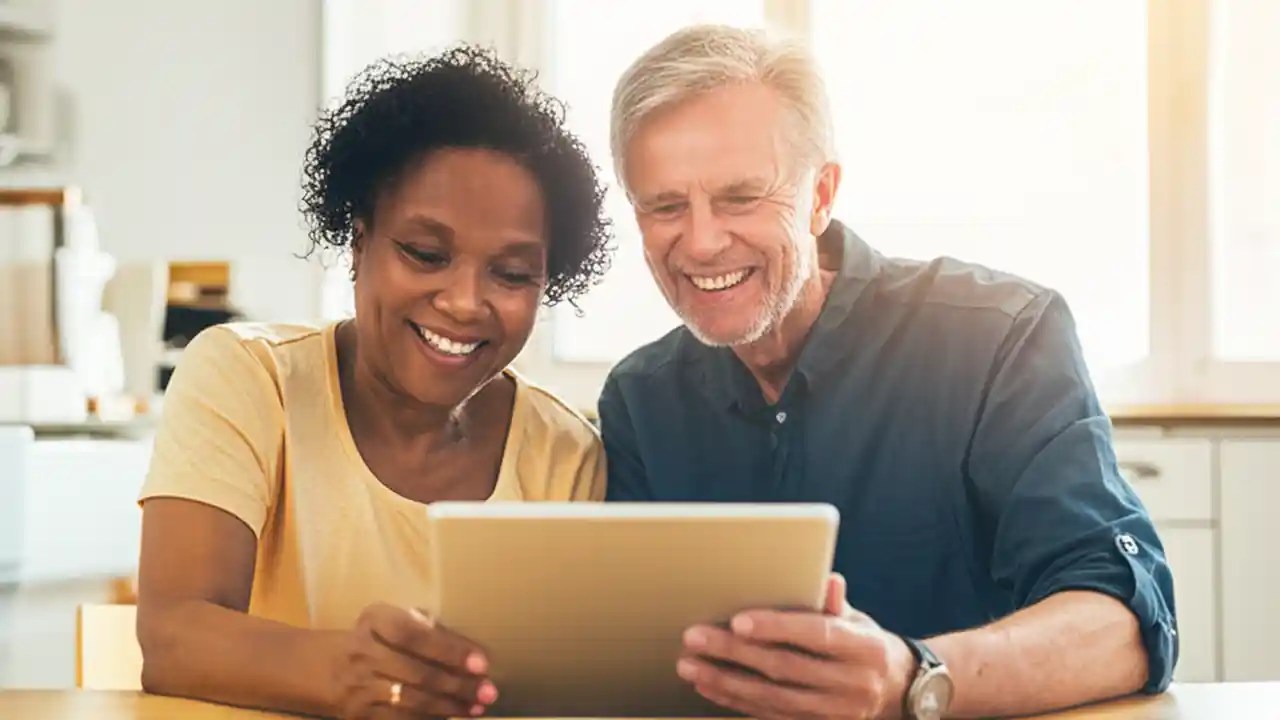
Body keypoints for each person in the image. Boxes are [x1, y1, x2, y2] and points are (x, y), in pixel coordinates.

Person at [599, 24, 1176, 720]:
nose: (700, 241)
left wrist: (914, 676)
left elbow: (1124, 624)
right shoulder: (640, 399)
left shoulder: (998, 337)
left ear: (820, 195)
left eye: (741, 197)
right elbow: (634, 656)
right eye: (665, 206)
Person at [136, 46, 612, 719]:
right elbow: (174, 637)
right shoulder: (248, 378)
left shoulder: (563, 454)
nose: (464, 302)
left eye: (510, 274)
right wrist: (346, 672)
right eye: (425, 254)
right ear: (359, 243)